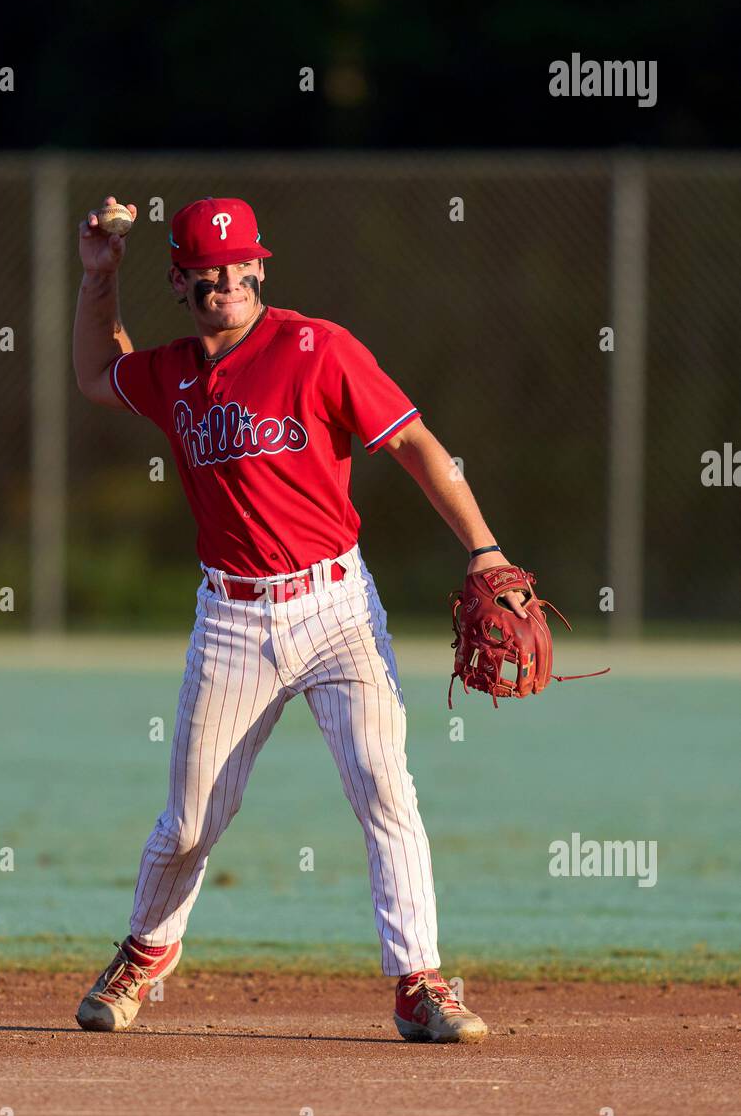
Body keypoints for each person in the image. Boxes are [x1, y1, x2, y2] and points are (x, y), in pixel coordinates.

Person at [71, 195, 525, 1044]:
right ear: (179, 279)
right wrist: (100, 278)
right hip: (232, 621)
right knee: (192, 821)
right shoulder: (171, 372)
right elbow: (99, 374)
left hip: (337, 607)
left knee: (387, 790)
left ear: (261, 266)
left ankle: (420, 985)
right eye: (206, 271)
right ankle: (145, 952)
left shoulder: (318, 348)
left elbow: (416, 443)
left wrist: (484, 550)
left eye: (240, 263)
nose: (226, 280)